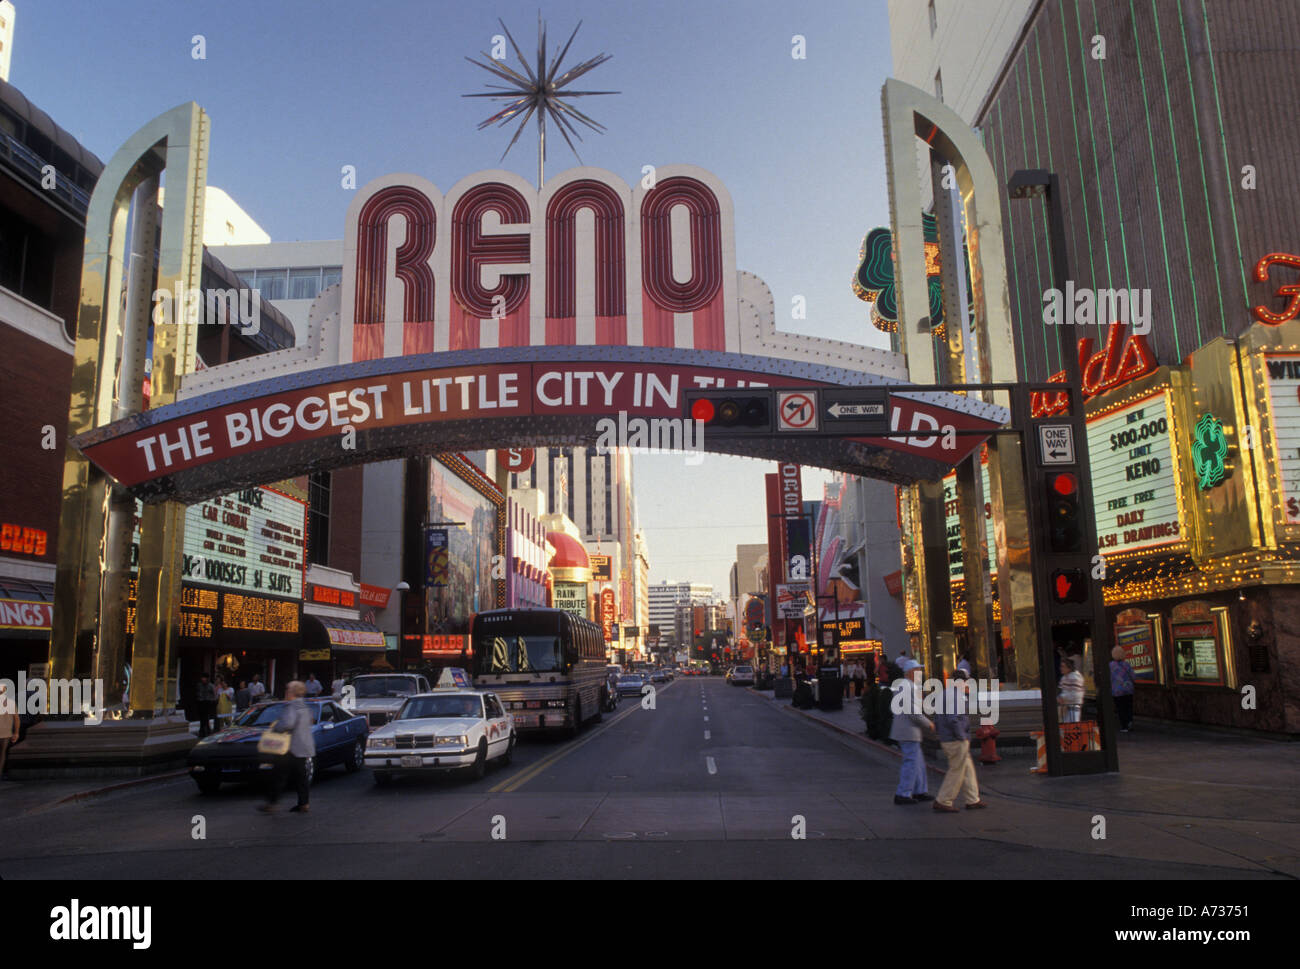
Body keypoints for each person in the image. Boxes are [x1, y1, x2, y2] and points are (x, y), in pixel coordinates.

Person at [932, 670, 986, 812]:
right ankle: (943, 800)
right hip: (955, 739)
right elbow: (953, 718)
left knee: (967, 768)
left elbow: (938, 718)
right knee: (956, 770)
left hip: (948, 737)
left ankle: (973, 799)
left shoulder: (945, 693)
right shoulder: (955, 696)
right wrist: (962, 737)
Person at [260, 681, 316, 814]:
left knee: (278, 774)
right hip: (303, 746)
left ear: (292, 692)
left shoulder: (292, 706)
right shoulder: (304, 705)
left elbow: (288, 723)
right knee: (301, 776)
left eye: (287, 689)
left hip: (289, 747)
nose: (286, 692)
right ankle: (304, 803)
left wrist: (276, 727)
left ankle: (272, 803)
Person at [891, 659, 934, 804]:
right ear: (910, 672)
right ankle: (903, 793)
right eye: (917, 670)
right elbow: (912, 712)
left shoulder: (906, 686)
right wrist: (928, 723)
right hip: (908, 731)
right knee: (911, 762)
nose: (920, 673)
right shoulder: (907, 687)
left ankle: (919, 790)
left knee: (918, 762)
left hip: (908, 730)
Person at [1110, 646, 1136, 732]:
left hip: (1117, 691)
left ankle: (1124, 726)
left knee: (1120, 708)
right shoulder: (1126, 664)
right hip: (1128, 689)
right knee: (1128, 707)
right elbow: (1133, 676)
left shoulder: (1111, 666)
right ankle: (1129, 722)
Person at [0, 683, 20, 781]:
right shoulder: (10, 702)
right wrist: (16, 733)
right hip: (6, 733)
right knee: (2, 754)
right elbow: (16, 719)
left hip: (6, 733)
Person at [1058, 657, 1084, 723]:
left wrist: (1063, 697)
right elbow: (1063, 690)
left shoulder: (1075, 677)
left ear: (1069, 668)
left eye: (1063, 666)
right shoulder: (1064, 677)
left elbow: (1076, 694)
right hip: (1065, 707)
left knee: (1073, 725)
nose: (1061, 668)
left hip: (1073, 707)